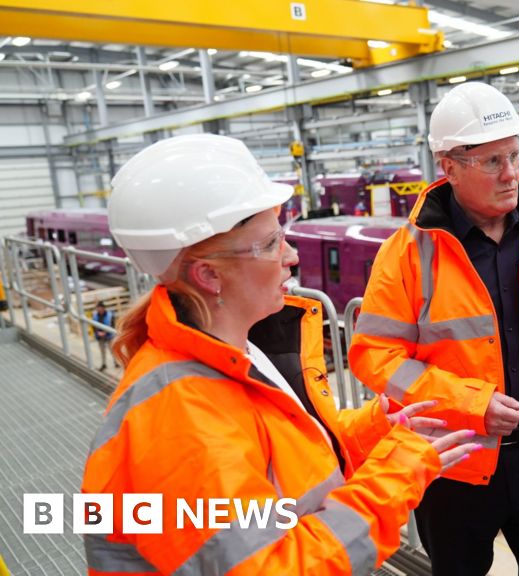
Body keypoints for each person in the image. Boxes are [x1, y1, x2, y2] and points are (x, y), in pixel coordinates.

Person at [81, 134, 479, 575]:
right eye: (270, 243)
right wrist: (396, 475)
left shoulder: (235, 354)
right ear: (210, 275)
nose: (290, 256)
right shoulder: (181, 419)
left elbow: (283, 469)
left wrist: (372, 431)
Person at [349, 81, 519, 575]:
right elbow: (374, 355)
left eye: (515, 156)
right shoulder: (408, 254)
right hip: (454, 467)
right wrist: (469, 404)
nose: (511, 174)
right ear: (450, 168)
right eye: (492, 161)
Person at [92, 301, 114, 370]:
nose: (99, 309)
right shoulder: (95, 316)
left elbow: (112, 325)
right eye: (98, 308)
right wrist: (97, 333)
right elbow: (93, 326)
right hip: (100, 337)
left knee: (112, 350)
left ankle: (116, 362)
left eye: (100, 308)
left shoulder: (110, 315)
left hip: (109, 336)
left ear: (104, 308)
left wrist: (105, 333)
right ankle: (104, 364)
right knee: (102, 351)